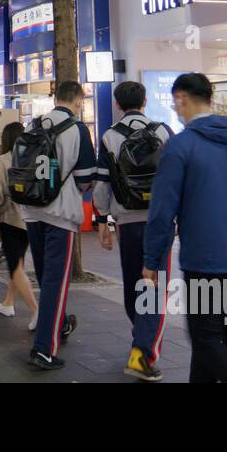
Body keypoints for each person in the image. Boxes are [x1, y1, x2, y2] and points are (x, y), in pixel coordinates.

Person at [144, 73, 227, 383]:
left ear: (181, 98)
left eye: (175, 102)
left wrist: (151, 260)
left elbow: (162, 211)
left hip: (206, 260)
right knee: (211, 335)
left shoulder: (181, 146)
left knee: (207, 339)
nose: (176, 108)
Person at [93, 80, 175, 382]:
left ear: (117, 105)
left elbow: (102, 183)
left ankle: (141, 340)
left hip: (126, 221)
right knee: (155, 285)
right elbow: (177, 176)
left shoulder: (110, 136)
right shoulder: (164, 131)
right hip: (160, 220)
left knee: (134, 285)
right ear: (145, 101)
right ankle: (142, 352)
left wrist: (101, 219)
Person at [17, 81, 98, 371]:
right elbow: (85, 178)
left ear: (55, 98)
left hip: (31, 210)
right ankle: (43, 349)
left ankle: (60, 323)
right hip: (60, 214)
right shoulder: (77, 130)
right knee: (55, 281)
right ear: (77, 101)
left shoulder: (33, 124)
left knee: (44, 275)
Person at [0, 122, 39, 326]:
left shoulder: (3, 161)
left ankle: (36, 310)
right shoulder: (32, 158)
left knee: (15, 266)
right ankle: (8, 302)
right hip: (31, 218)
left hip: (10, 218)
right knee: (20, 261)